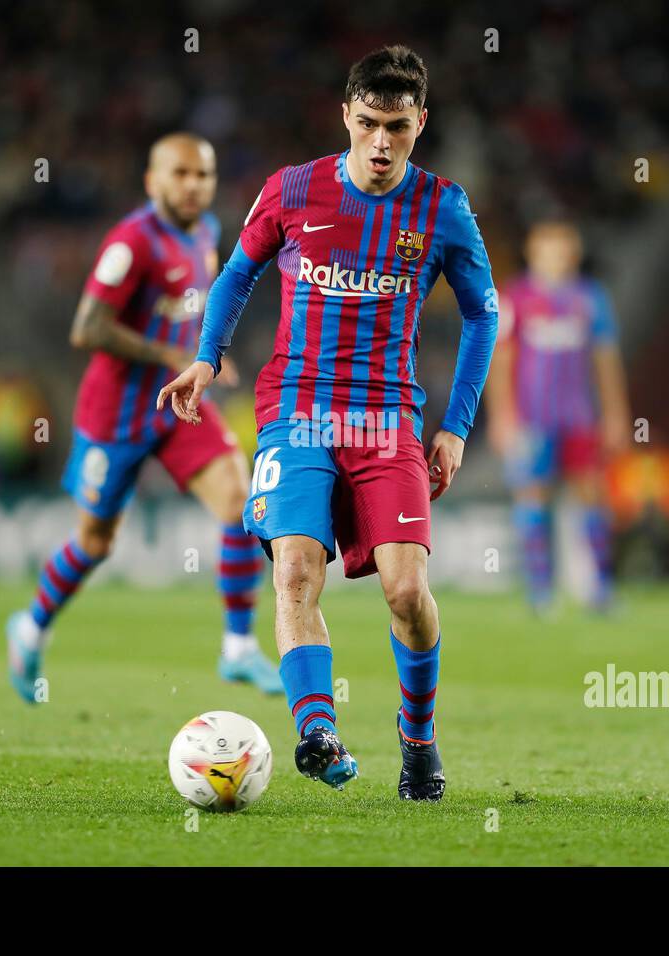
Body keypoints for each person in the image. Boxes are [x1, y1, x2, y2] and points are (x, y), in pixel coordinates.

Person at [157, 45, 497, 800]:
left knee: (407, 592)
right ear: (346, 114)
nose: (382, 143)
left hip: (388, 420)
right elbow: (237, 275)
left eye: (399, 128)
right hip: (296, 412)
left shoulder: (442, 207)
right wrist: (208, 360)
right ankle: (317, 728)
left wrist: (457, 425)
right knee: (295, 570)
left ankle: (418, 740)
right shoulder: (291, 190)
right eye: (370, 123)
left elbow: (483, 313)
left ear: (421, 124)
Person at [6, 133, 281, 704]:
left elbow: (185, 312)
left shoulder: (204, 232)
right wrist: (171, 356)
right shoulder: (131, 243)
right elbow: (87, 328)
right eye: (180, 174)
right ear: (152, 181)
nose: (193, 185)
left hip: (182, 404)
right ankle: (30, 627)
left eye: (203, 175)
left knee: (242, 503)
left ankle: (237, 647)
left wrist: (205, 356)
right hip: (117, 416)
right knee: (96, 543)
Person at [486, 219, 630, 613]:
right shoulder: (515, 297)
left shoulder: (590, 297)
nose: (557, 255)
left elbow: (605, 360)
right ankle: (540, 592)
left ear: (575, 252)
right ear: (533, 251)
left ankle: (600, 588)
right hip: (533, 418)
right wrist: (503, 417)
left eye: (564, 247)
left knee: (591, 494)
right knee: (533, 495)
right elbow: (501, 361)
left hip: (579, 416)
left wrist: (616, 414)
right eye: (549, 247)